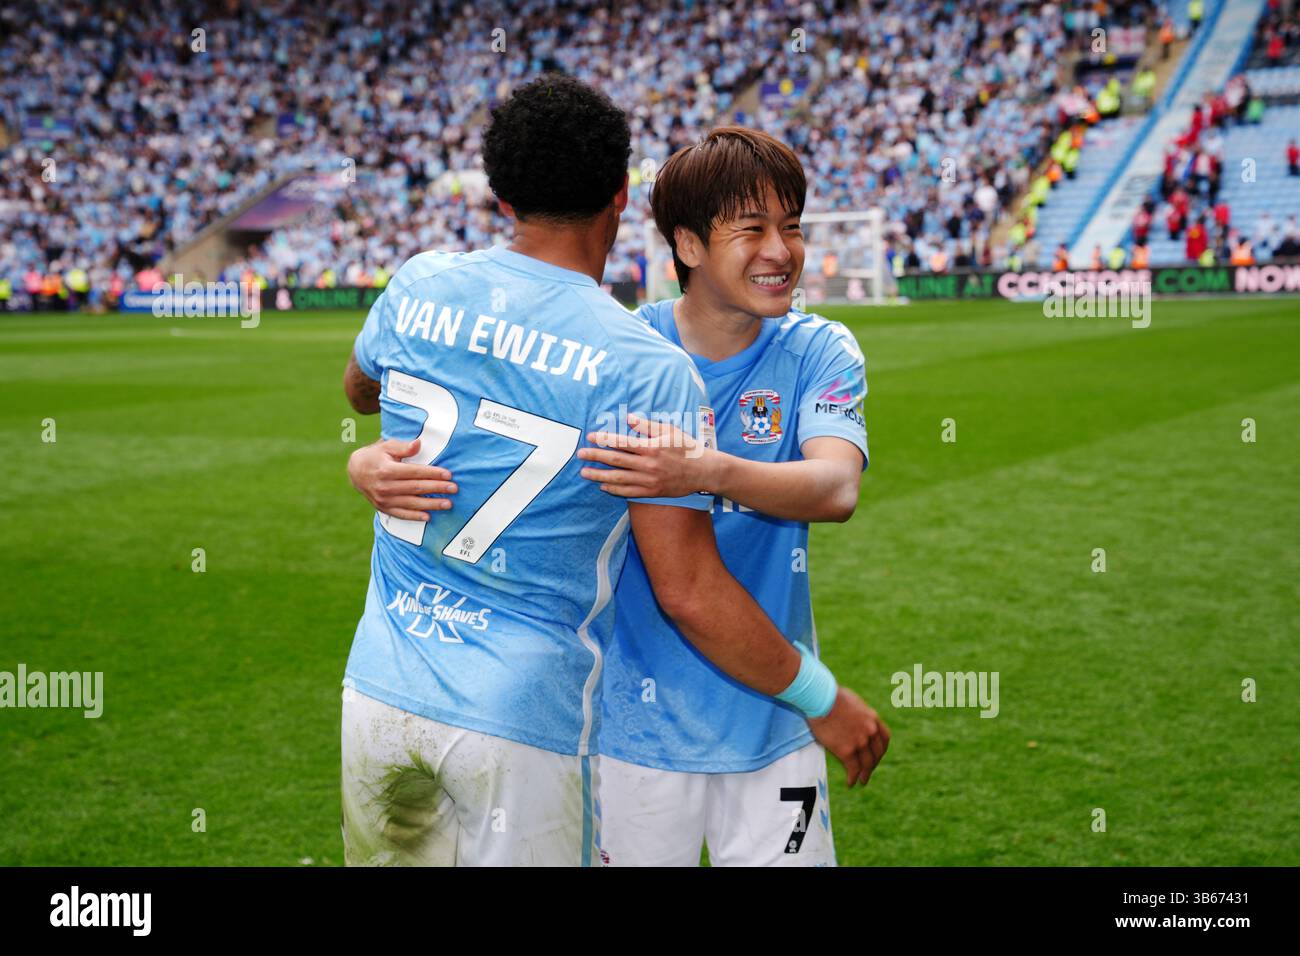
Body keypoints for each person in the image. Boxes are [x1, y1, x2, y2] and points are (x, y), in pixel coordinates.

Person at [338, 78, 886, 867]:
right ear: (670, 232)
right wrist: (362, 464)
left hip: (761, 724)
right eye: (752, 229)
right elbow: (688, 590)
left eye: (791, 227)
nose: (780, 250)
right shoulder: (634, 356)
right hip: (611, 725)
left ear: (501, 194)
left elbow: (836, 489)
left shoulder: (816, 348)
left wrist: (707, 469)